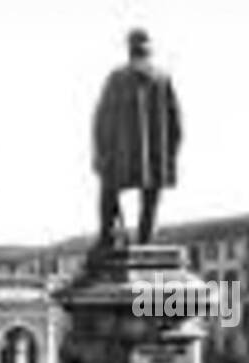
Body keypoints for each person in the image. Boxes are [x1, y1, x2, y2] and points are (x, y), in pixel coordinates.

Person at [93, 28, 181, 249]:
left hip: (121, 156)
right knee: (151, 198)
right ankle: (145, 240)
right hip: (155, 158)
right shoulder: (163, 79)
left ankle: (107, 236)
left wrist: (101, 154)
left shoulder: (117, 78)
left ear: (129, 49)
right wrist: (169, 154)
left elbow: (101, 119)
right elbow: (176, 124)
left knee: (108, 190)